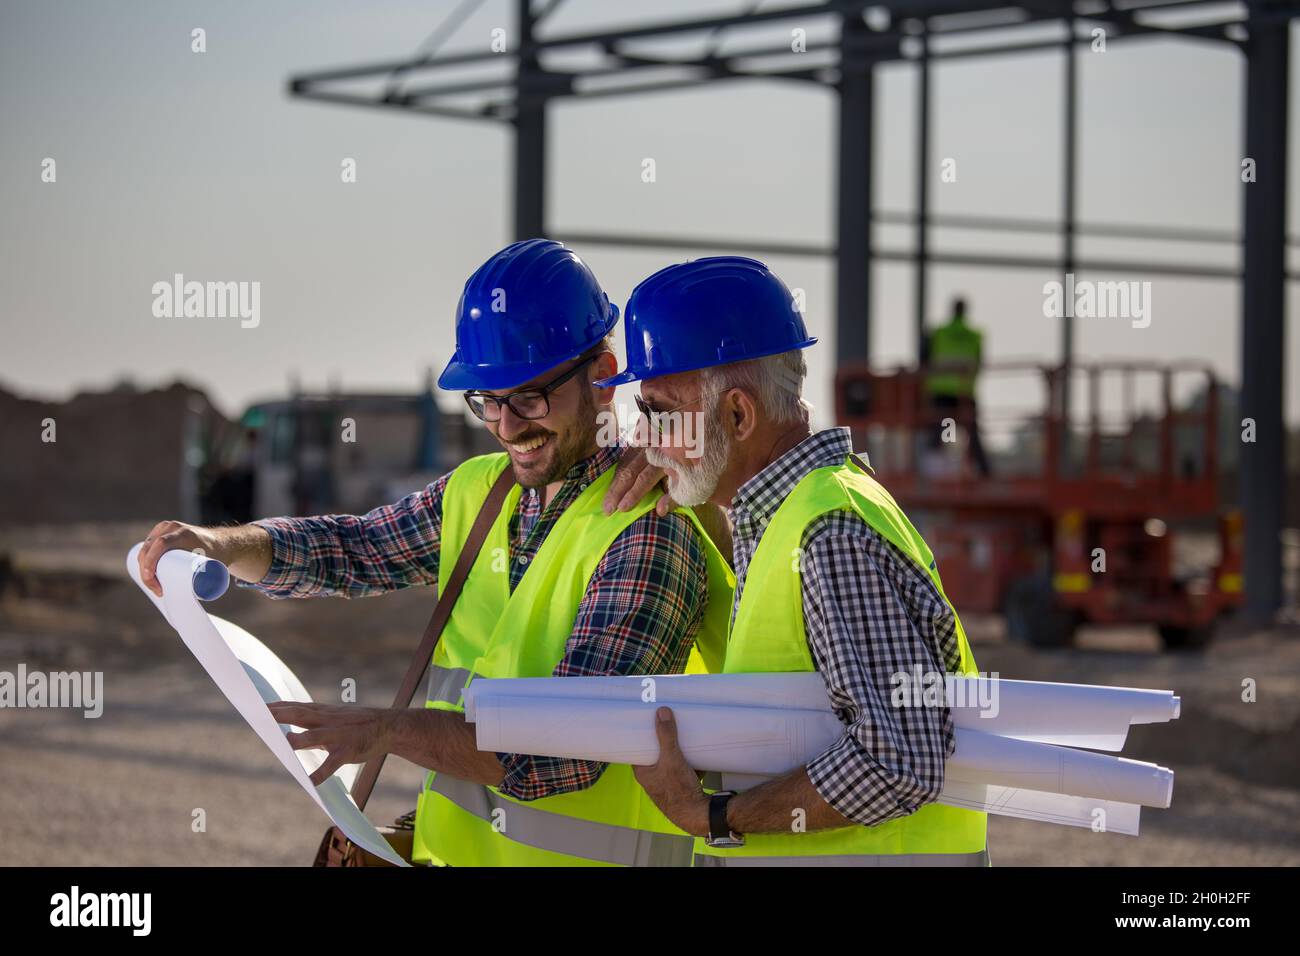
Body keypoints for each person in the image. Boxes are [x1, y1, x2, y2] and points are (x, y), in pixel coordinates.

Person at [136, 239, 734, 867]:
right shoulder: (481, 492)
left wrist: (389, 732)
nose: (507, 427)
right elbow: (355, 549)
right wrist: (221, 545)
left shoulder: (650, 529)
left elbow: (564, 752)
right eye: (487, 402)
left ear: (602, 376)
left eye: (528, 398)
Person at [600, 256, 990, 866]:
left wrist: (712, 816)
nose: (644, 440)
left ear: (737, 414)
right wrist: (689, 481)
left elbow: (900, 760)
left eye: (658, 413)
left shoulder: (827, 533)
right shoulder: (789, 515)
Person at [923, 297, 989, 476]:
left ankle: (932, 474)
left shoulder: (939, 333)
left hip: (941, 391)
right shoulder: (975, 335)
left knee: (937, 434)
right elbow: (980, 363)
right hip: (965, 392)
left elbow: (925, 361)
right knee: (973, 435)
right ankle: (984, 473)